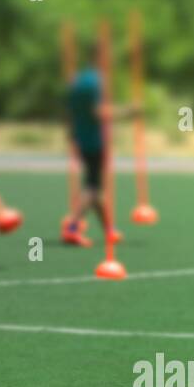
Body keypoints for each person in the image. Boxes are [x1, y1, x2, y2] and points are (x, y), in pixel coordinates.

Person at [61, 50, 134, 247]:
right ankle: (72, 227)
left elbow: (70, 111)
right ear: (101, 58)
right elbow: (99, 112)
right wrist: (127, 112)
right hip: (95, 140)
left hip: (82, 139)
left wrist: (72, 133)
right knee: (92, 189)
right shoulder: (97, 82)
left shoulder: (77, 81)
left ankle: (109, 229)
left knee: (96, 187)